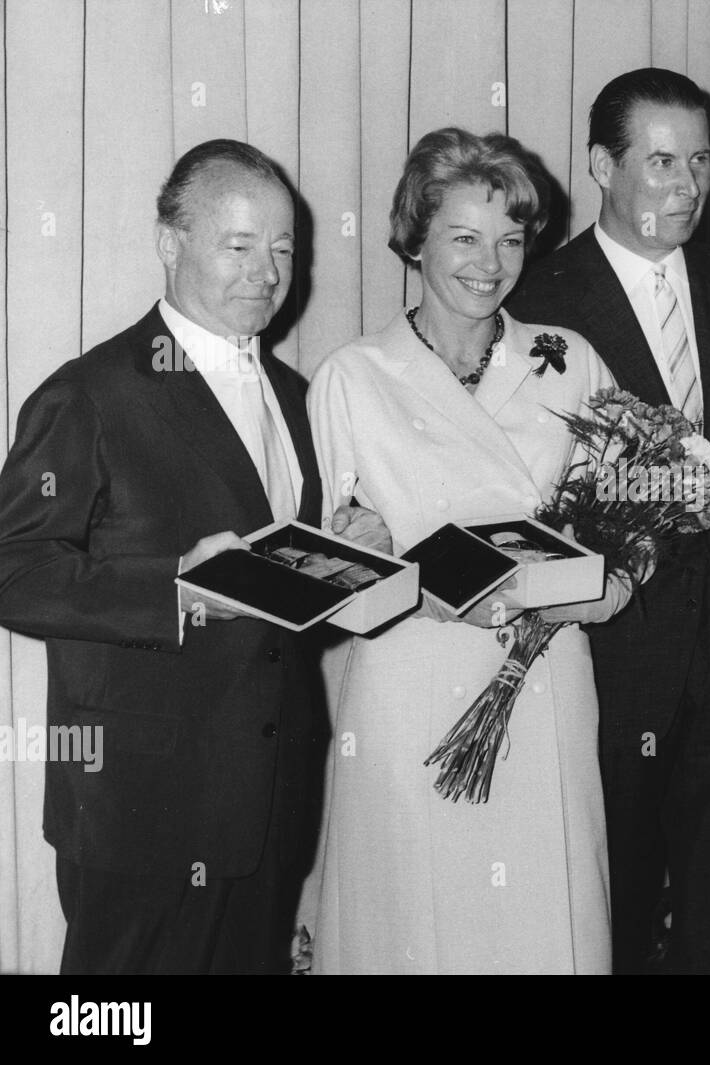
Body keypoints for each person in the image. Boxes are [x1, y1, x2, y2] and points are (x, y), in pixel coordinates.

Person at [0, 139, 356, 973]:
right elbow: (13, 569)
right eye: (239, 246)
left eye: (282, 250)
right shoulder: (88, 393)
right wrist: (181, 592)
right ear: (170, 243)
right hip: (141, 806)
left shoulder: (300, 398)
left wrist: (346, 550)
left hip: (267, 795)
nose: (266, 272)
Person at [303, 128, 629, 974]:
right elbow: (340, 587)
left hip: (542, 679)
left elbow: (623, 538)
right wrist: (359, 556)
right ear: (414, 238)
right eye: (464, 237)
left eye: (511, 239)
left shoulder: (571, 362)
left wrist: (602, 591)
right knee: (414, 917)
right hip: (409, 687)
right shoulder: (353, 376)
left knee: (538, 920)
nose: (491, 263)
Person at [508, 68, 710, 974]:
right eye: (661, 159)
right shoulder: (536, 305)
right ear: (602, 164)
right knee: (607, 907)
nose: (687, 183)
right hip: (609, 653)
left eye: (701, 160)